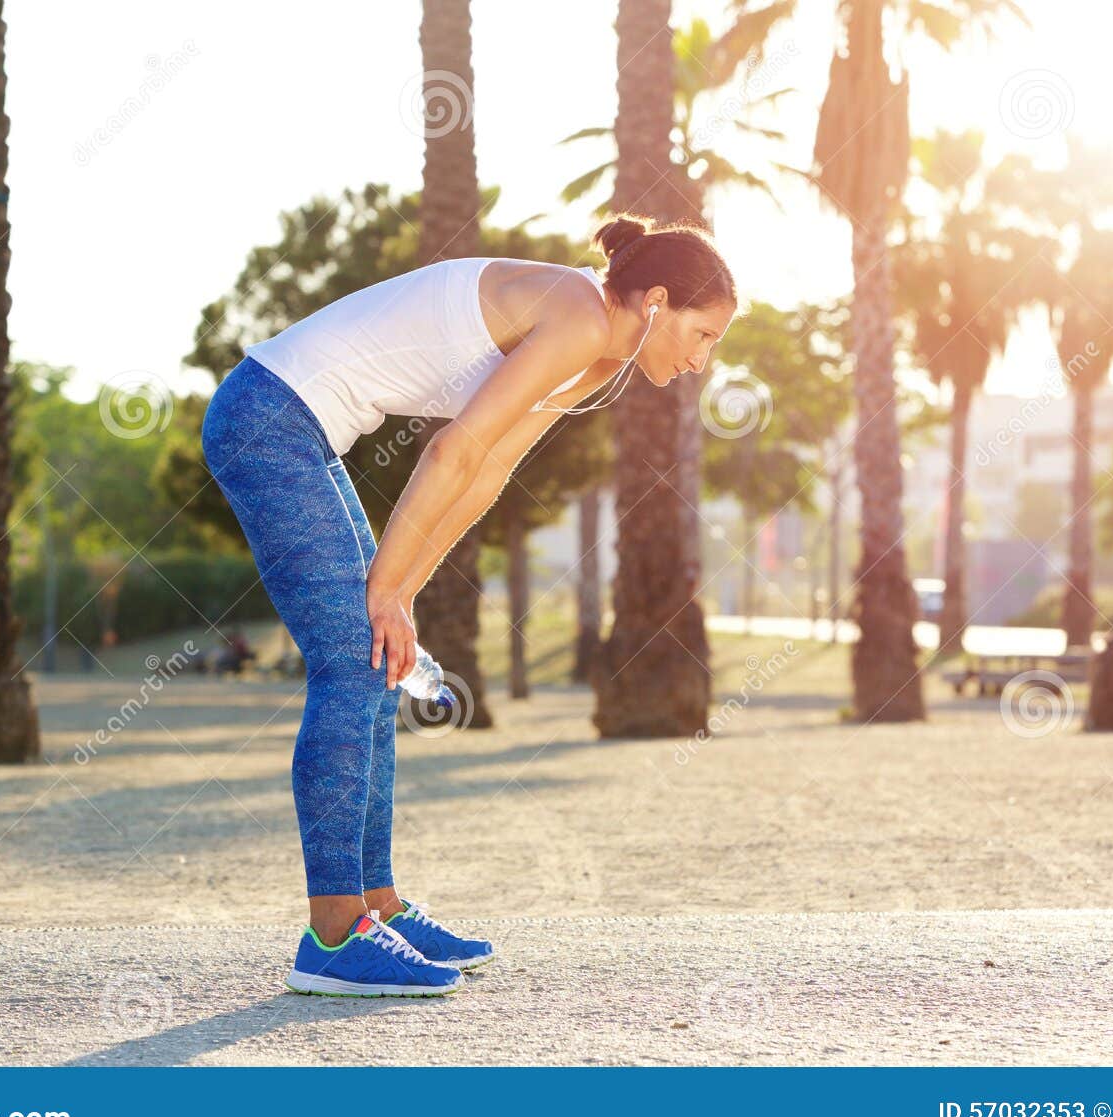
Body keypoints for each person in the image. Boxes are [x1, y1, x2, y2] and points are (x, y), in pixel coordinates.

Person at [200, 213, 738, 996]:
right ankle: (332, 934)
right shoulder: (580, 315)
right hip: (268, 419)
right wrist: (385, 586)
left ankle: (375, 906)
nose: (703, 359)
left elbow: (486, 467)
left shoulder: (598, 353)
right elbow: (449, 450)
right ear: (655, 300)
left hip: (301, 430)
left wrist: (404, 589)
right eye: (703, 333)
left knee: (379, 658)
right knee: (353, 661)